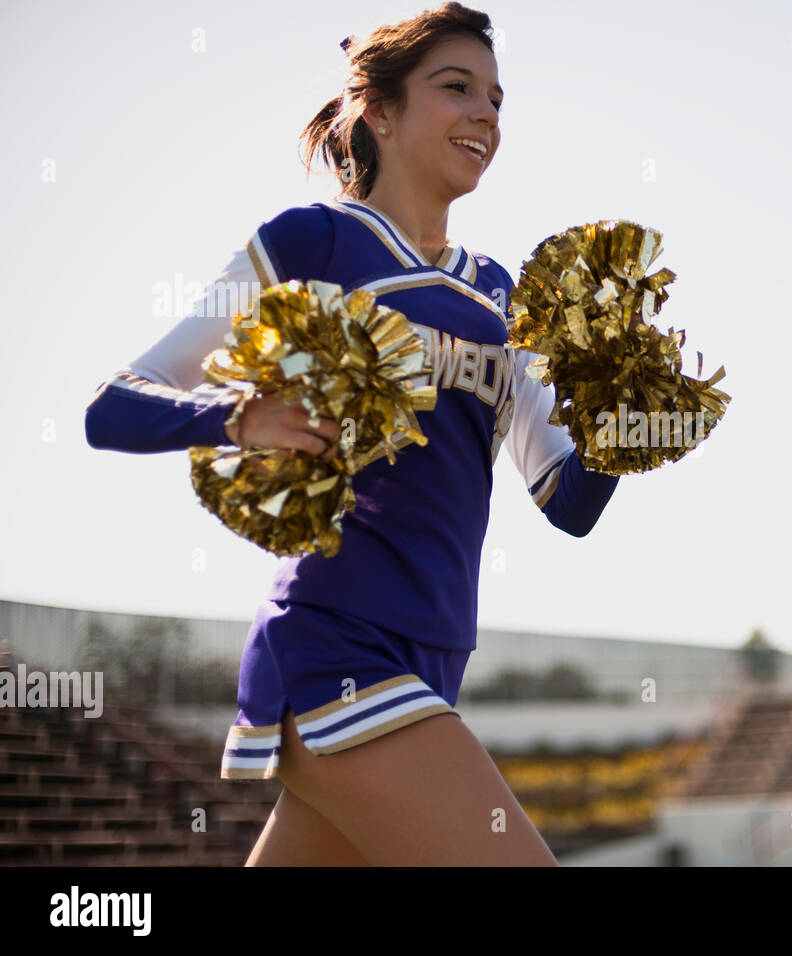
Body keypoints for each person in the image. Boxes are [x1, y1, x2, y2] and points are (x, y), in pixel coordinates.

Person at [83, 3, 619, 866]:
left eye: (497, 98)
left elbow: (570, 502)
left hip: (438, 658)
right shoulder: (315, 240)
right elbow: (114, 404)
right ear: (378, 107)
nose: (486, 114)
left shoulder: (497, 292)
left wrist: (622, 414)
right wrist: (237, 417)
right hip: (338, 647)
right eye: (457, 89)